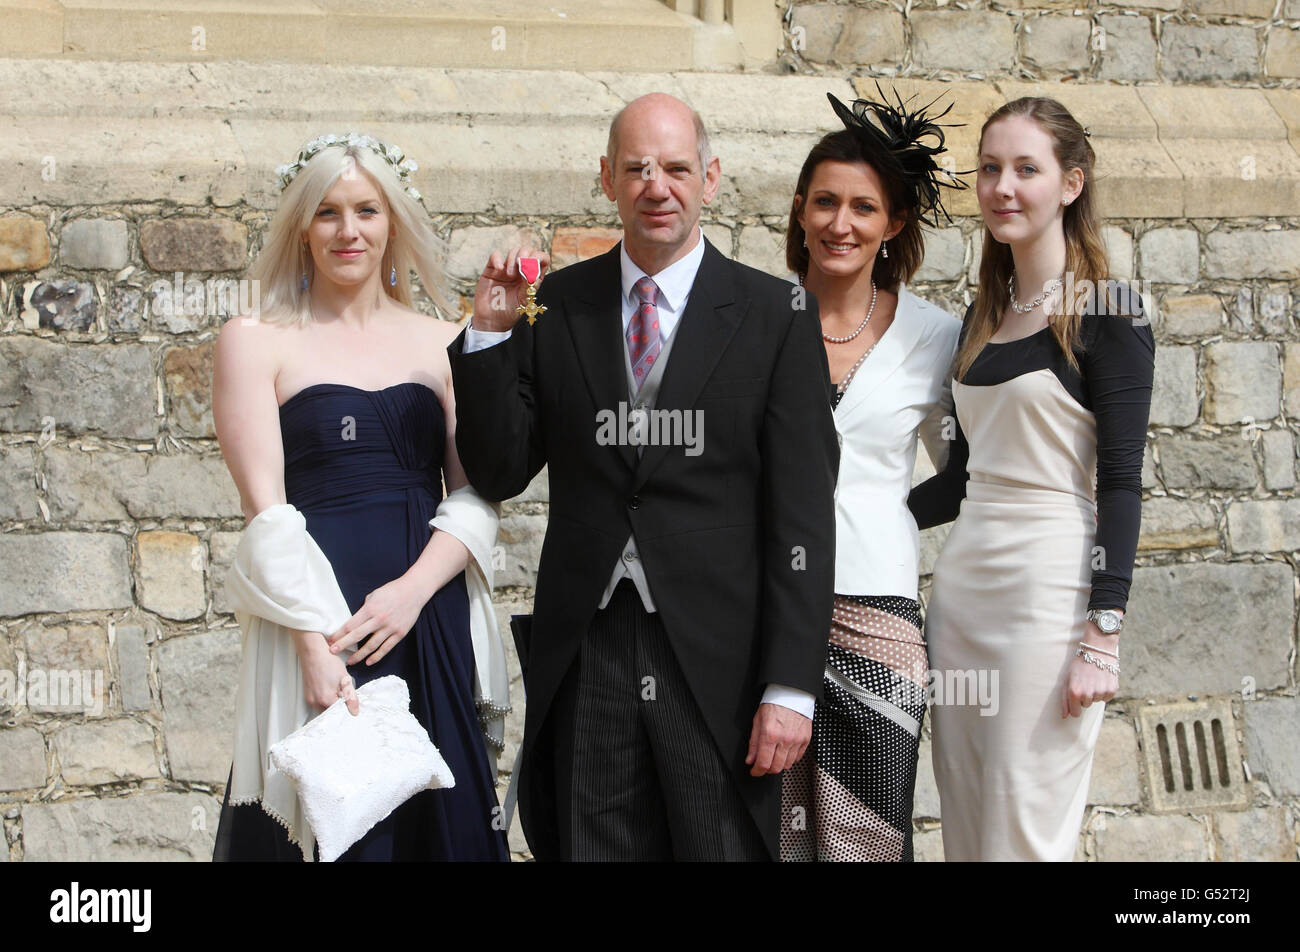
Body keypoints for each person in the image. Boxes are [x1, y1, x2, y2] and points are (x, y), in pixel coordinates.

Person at [450, 93, 839, 861]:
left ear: (712, 178)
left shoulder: (776, 314)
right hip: (592, 643)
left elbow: (802, 514)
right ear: (607, 179)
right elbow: (497, 469)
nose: (656, 186)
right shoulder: (552, 307)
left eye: (676, 168)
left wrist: (790, 684)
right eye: (636, 168)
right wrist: (490, 337)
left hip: (717, 656)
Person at [210, 133, 510, 861]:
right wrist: (313, 644)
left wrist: (409, 595)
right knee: (324, 824)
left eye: (367, 211)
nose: (349, 232)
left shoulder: (449, 340)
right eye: (328, 213)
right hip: (318, 625)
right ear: (302, 226)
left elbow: (476, 499)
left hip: (425, 617)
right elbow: (267, 513)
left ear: (393, 222)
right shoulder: (254, 340)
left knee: (439, 826)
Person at [908, 98, 1154, 861]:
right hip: (963, 598)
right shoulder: (984, 317)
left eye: (1026, 169)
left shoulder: (1110, 313)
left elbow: (1119, 482)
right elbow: (954, 486)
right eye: (989, 169)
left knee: (1025, 828)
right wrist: (841, 510)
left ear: (1071, 184)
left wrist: (1103, 634)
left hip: (1047, 597)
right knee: (969, 823)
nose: (1002, 187)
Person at [779, 92, 965, 862]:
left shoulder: (935, 336)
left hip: (879, 613)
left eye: (863, 207)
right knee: (777, 830)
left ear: (892, 225)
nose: (840, 223)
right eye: (824, 202)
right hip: (771, 609)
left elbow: (962, 474)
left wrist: (883, 509)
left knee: (870, 837)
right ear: (799, 210)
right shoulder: (760, 318)